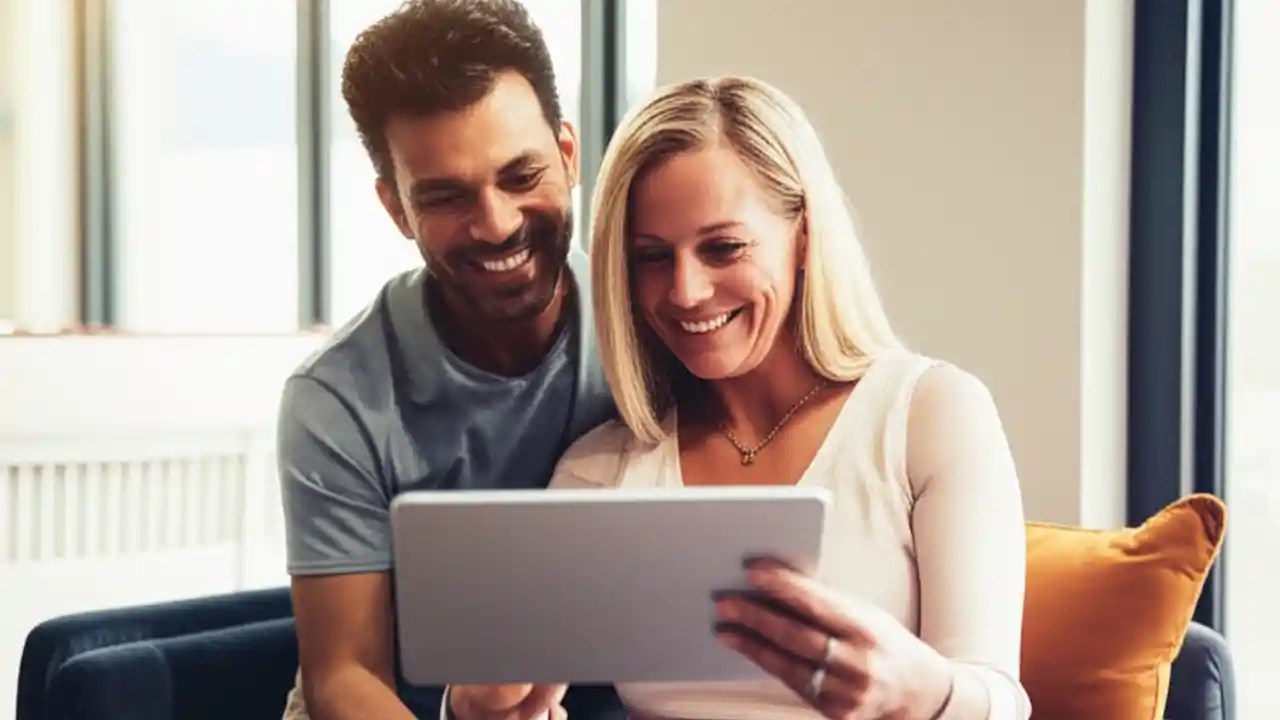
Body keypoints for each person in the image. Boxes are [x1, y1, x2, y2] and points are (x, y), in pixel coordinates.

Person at [460, 76, 1034, 718]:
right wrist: (478, 711)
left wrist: (919, 692)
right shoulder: (603, 470)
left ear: (805, 236)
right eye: (651, 257)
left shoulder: (929, 415)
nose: (685, 291)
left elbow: (1001, 702)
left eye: (723, 247)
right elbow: (525, 698)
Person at [274, 1, 621, 719]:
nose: (496, 224)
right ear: (396, 208)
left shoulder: (651, 329)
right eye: (446, 196)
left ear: (568, 154)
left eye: (521, 177)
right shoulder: (335, 399)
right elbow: (344, 678)